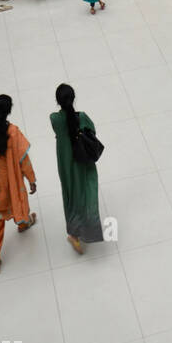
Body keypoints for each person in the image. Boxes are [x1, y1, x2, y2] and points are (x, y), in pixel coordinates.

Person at [0, 95, 37, 274]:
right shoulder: (13, 132)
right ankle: (23, 224)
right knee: (18, 205)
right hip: (10, 187)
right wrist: (31, 179)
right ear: (9, 111)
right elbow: (24, 160)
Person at [51, 84, 103, 255]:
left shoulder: (55, 119)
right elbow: (92, 131)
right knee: (86, 191)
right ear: (73, 99)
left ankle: (74, 234)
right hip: (84, 162)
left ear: (58, 101)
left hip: (66, 164)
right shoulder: (83, 117)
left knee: (71, 194)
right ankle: (89, 226)